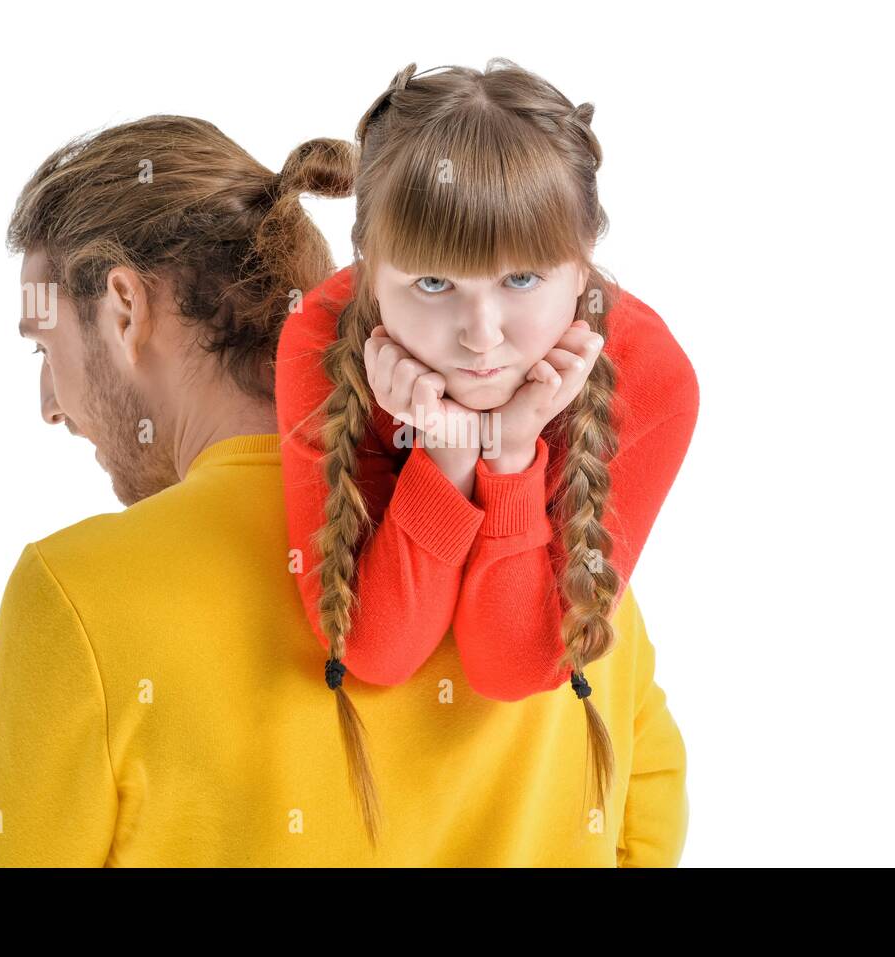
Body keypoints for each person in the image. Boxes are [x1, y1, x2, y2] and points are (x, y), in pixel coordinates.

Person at [0, 112, 687, 867]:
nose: (50, 402)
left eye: (47, 347)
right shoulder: (564, 546)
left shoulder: (72, 595)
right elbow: (649, 822)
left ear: (124, 308)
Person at [276, 60, 700, 844]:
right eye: (433, 283)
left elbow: (511, 666)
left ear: (583, 264)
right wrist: (445, 453)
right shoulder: (320, 336)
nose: (480, 334)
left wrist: (509, 454)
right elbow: (374, 649)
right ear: (369, 270)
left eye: (523, 278)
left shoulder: (652, 378)